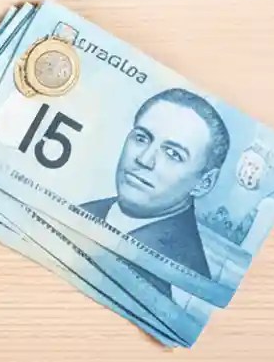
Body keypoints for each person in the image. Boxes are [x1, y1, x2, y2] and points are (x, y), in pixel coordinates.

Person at [79, 87, 230, 296]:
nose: (144, 159)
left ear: (204, 183)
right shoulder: (83, 211)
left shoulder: (181, 279)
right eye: (142, 138)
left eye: (173, 154)